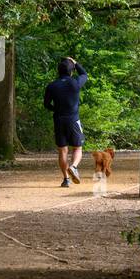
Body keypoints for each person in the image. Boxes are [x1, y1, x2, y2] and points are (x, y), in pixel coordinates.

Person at [43, 56, 87, 187]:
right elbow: (84, 74)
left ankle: (66, 179)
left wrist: (56, 109)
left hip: (59, 119)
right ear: (71, 71)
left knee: (62, 150)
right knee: (77, 147)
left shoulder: (52, 86)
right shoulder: (75, 83)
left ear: (58, 71)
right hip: (73, 119)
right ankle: (73, 167)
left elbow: (46, 104)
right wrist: (75, 62)